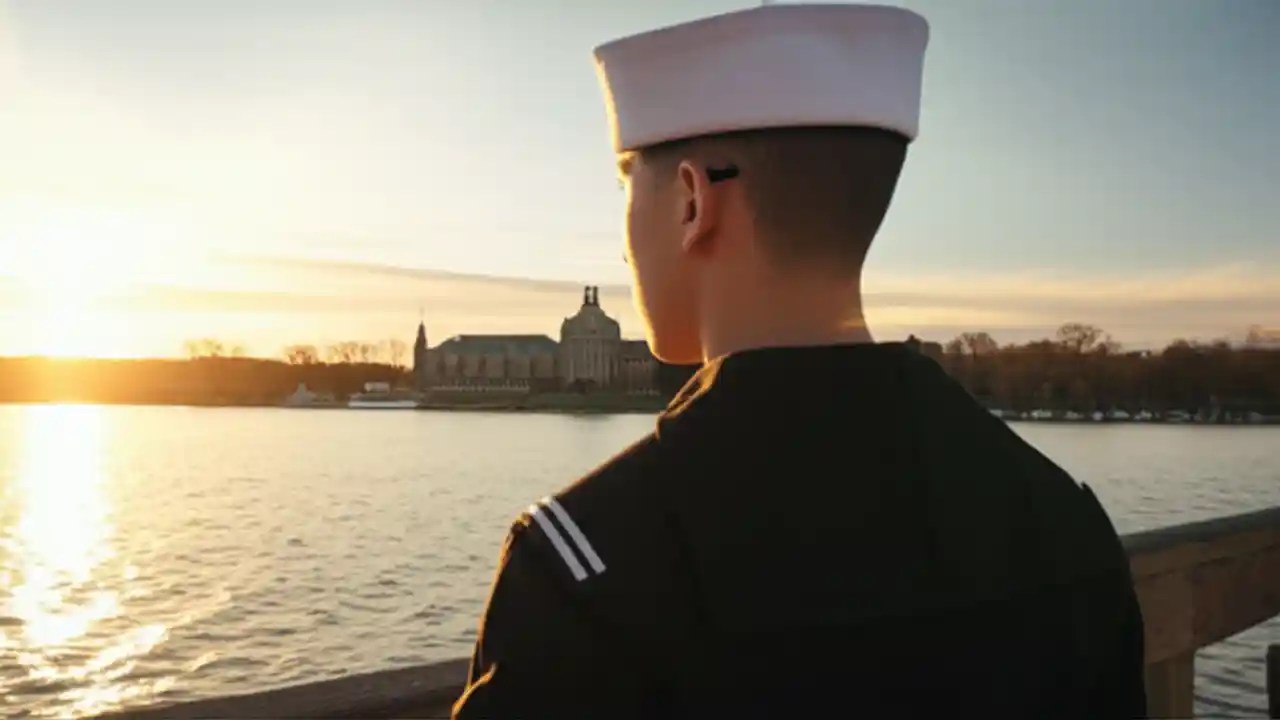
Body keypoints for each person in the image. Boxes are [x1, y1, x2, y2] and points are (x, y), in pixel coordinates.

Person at [452, 4, 1147, 718]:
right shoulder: (1066, 524)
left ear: (692, 201)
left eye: (628, 189)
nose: (625, 238)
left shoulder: (584, 569)